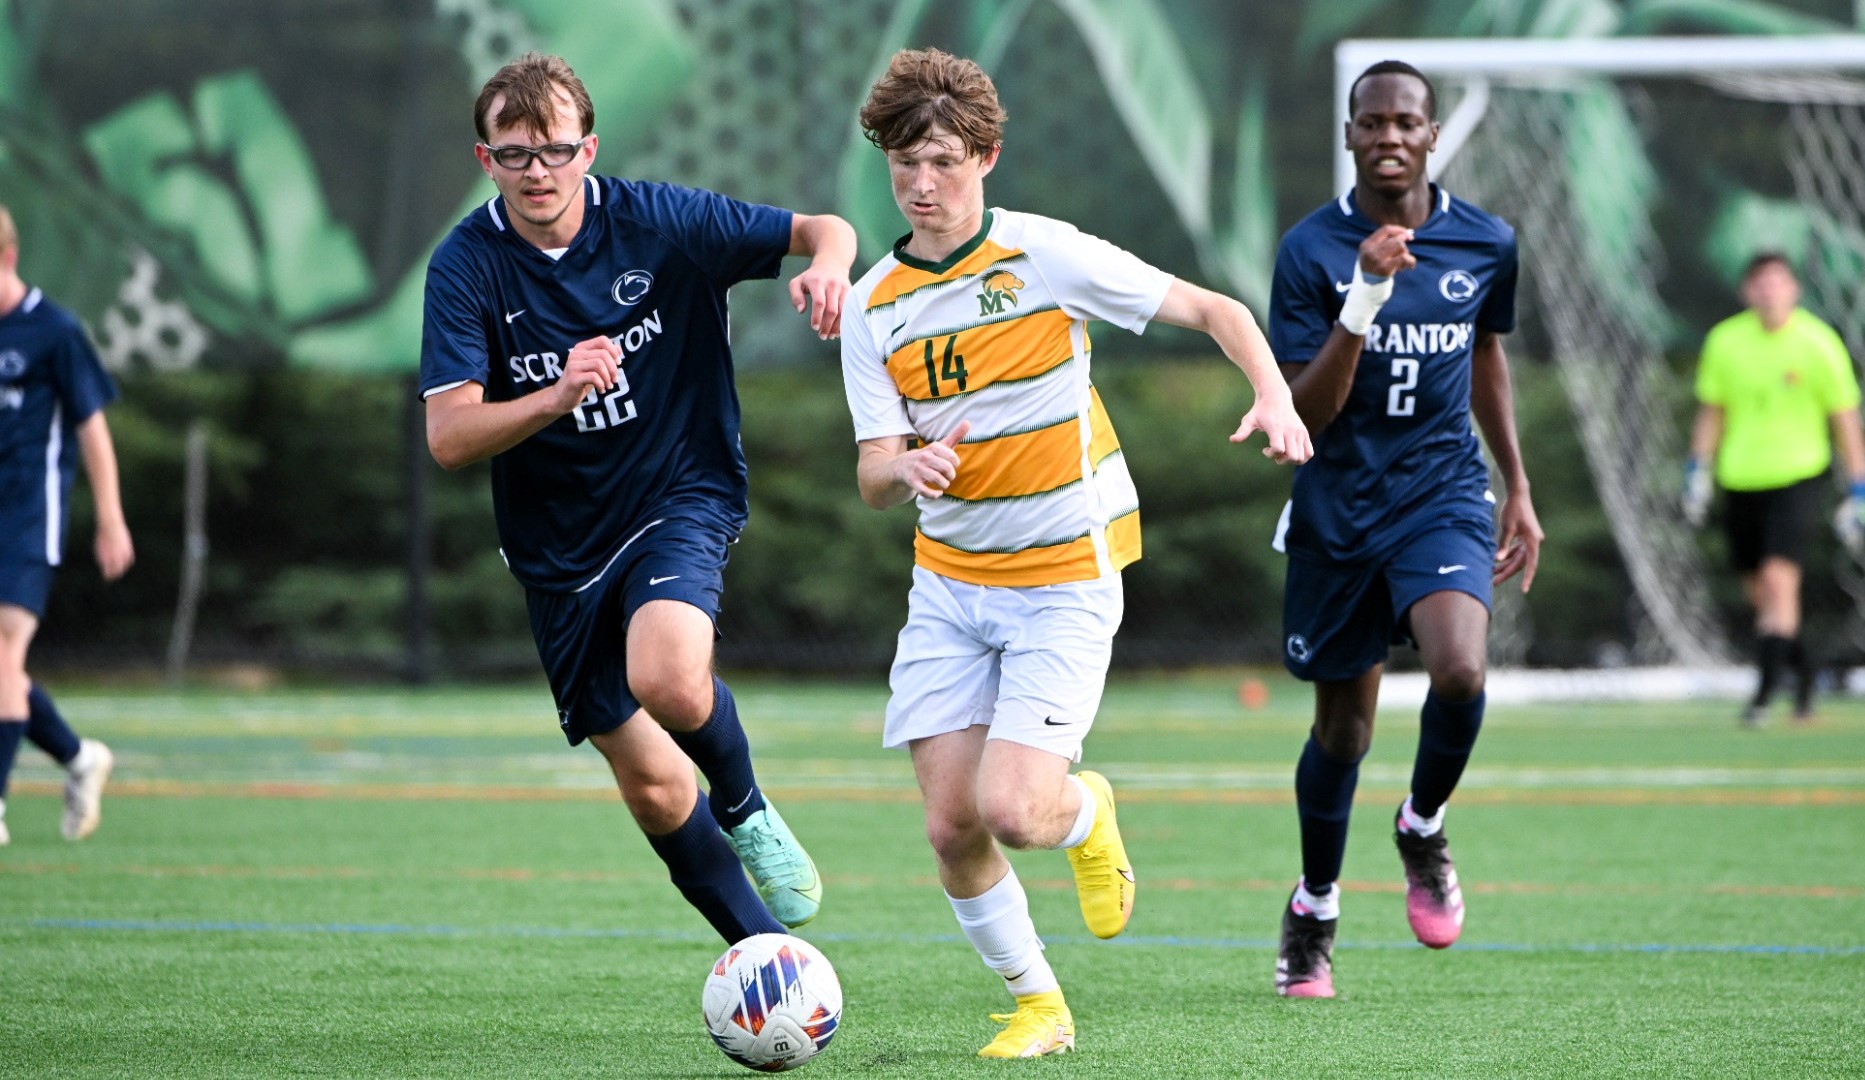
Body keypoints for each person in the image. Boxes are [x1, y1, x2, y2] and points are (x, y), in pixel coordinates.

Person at [840, 48, 1313, 1059]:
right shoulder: (874, 303)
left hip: (1062, 576)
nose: (922, 185)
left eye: (943, 162)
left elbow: (1215, 311)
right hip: (950, 586)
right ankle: (1038, 1007)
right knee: (948, 827)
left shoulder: (1043, 256)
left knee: (1014, 811)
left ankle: (1086, 810)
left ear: (986, 156)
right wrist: (907, 468)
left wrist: (1273, 395)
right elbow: (873, 473)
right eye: (903, 165)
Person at [419, 53, 856, 941]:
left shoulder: (661, 222)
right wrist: (555, 394)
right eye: (515, 154)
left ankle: (744, 806)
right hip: (557, 547)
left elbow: (826, 227)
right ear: (483, 159)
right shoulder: (465, 266)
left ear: (588, 151)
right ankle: (765, 961)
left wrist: (829, 269)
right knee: (653, 786)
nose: (536, 171)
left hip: (677, 490)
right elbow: (449, 437)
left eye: (554, 149)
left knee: (664, 671)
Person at [1265, 60, 1543, 999]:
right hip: (1337, 507)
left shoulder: (1484, 243)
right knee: (1342, 732)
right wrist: (1365, 294)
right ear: (1350, 136)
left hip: (1440, 493)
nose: (1389, 136)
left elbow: (1485, 357)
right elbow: (1310, 407)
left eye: (1406, 122)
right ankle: (1313, 908)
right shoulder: (1309, 251)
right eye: (1372, 122)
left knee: (1461, 665)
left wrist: (1517, 484)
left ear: (1431, 135)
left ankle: (1422, 825)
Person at [1684, 252, 1865, 725]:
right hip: (1740, 478)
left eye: (1778, 283)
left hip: (1799, 476)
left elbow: (1845, 419)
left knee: (1777, 579)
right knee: (1762, 594)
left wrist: (1860, 490)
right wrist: (1697, 471)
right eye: (1760, 283)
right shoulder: (1725, 342)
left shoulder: (1819, 343)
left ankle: (1764, 694)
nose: (1769, 292)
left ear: (1795, 290)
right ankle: (1805, 673)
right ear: (1747, 292)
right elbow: (1713, 411)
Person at [0, 202, 128, 846]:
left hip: (27, 518)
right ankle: (79, 758)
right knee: (2, 668)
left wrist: (110, 518)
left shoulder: (53, 331)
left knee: (2, 649)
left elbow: (92, 428)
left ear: (9, 258)